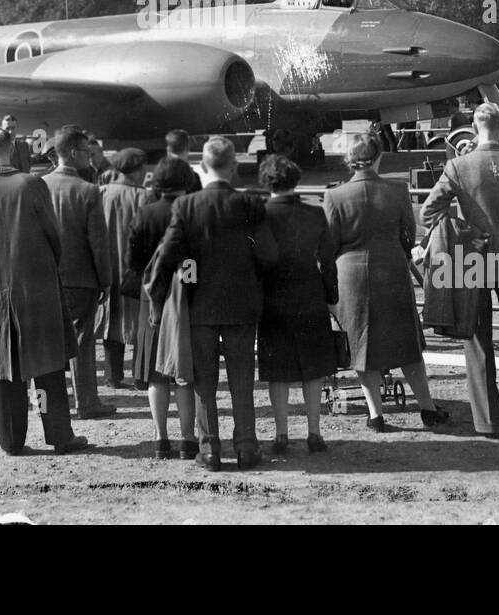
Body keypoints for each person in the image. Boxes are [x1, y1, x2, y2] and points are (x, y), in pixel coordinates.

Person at [148, 136, 276, 472]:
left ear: (202, 166)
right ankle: (247, 447)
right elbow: (268, 255)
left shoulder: (186, 207)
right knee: (242, 381)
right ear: (234, 166)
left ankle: (209, 450)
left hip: (199, 306)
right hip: (241, 305)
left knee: (204, 383)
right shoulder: (250, 205)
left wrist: (161, 296)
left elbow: (169, 257)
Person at [0, 129, 89, 456]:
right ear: (13, 150)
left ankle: (12, 439)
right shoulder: (32, 184)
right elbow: (53, 235)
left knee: (6, 368)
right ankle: (59, 435)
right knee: (46, 365)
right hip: (37, 285)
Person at [422, 103, 499, 437]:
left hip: (473, 260)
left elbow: (428, 212)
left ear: (475, 128)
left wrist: (463, 232)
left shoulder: (458, 166)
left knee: (477, 343)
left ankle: (488, 422)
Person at [331, 136, 448, 434]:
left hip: (351, 276)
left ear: (348, 160)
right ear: (378, 158)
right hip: (392, 270)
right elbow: (408, 237)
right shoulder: (397, 190)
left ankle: (375, 415)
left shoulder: (335, 196)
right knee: (407, 344)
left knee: (361, 345)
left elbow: (329, 244)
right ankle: (427, 407)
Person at [258, 155, 339, 454]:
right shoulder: (315, 214)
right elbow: (328, 261)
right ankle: (314, 432)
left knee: (278, 370)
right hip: (309, 294)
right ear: (296, 180)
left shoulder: (259, 215)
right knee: (313, 367)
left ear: (266, 182)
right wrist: (331, 296)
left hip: (272, 299)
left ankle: (281, 434)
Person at [124, 156, 198, 459]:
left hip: (150, 299)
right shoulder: (193, 213)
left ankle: (160, 438)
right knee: (184, 374)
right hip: (186, 299)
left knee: (156, 374)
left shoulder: (144, 213)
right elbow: (196, 260)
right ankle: (188, 439)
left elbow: (133, 262)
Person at [42, 128, 114, 419]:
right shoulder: (88, 191)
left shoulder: (38, 185)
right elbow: (98, 243)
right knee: (82, 343)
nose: (89, 156)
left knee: (45, 345)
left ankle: (43, 405)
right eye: (85, 150)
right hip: (81, 278)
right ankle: (86, 402)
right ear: (73, 152)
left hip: (45, 277)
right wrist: (105, 280)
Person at [98, 148, 148, 389]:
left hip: (107, 267)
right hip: (135, 270)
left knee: (111, 320)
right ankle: (141, 376)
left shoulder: (101, 193)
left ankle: (112, 375)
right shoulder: (144, 197)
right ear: (137, 171)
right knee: (140, 322)